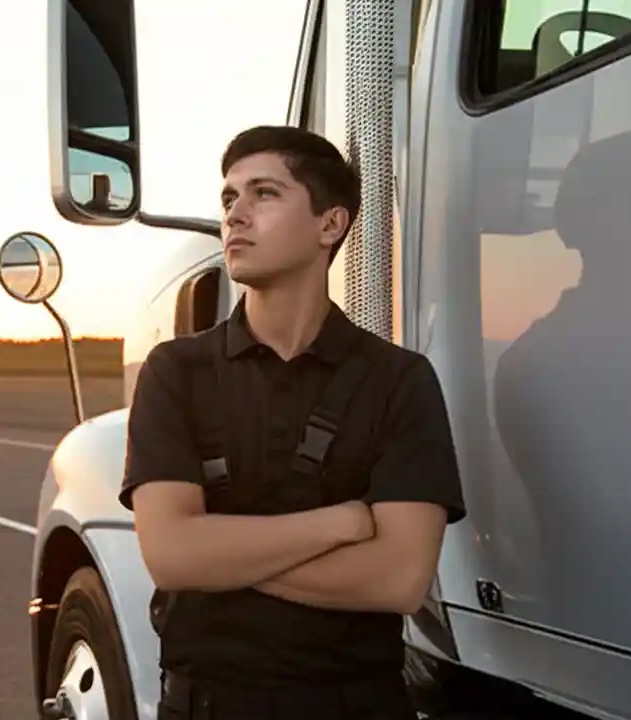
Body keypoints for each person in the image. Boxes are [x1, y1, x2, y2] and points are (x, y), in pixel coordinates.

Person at [119, 125, 467, 719]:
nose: (236, 216)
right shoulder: (177, 371)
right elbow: (173, 556)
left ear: (329, 225)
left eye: (264, 194)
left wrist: (223, 554)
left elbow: (399, 579)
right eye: (229, 198)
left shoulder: (400, 381)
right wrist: (337, 523)